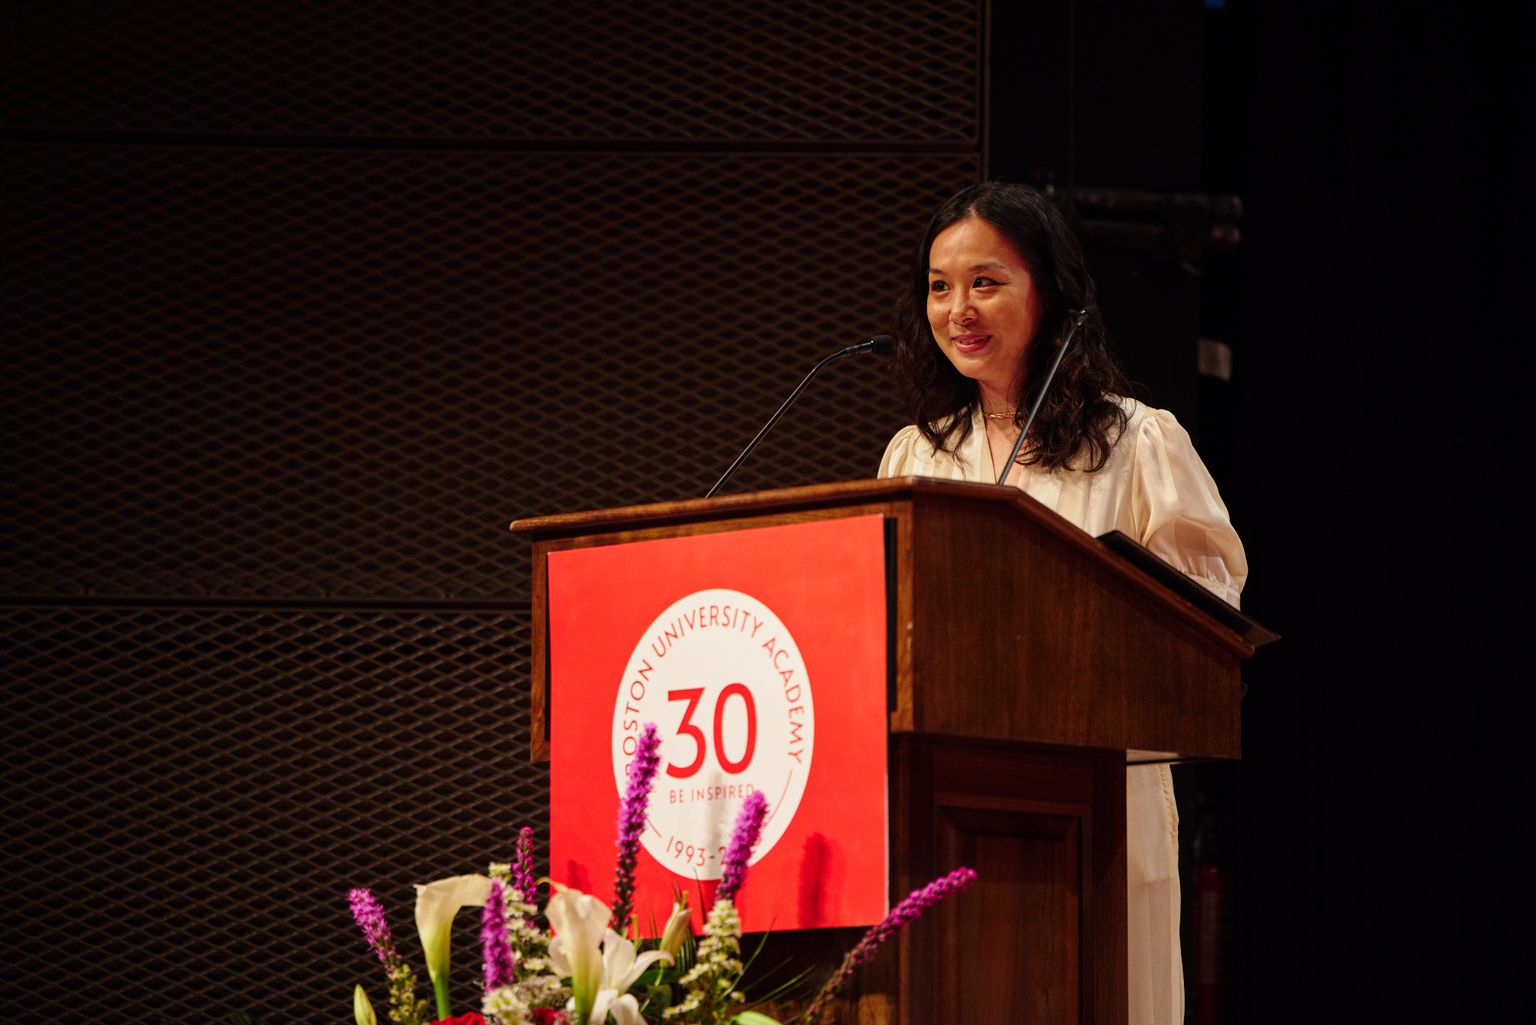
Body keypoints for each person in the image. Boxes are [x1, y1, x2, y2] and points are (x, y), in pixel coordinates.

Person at [878, 180, 1247, 1025]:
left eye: (985, 281)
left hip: (1098, 811)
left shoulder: (1135, 444)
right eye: (939, 285)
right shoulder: (916, 457)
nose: (957, 309)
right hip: (943, 811)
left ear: (1049, 291)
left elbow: (1206, 616)